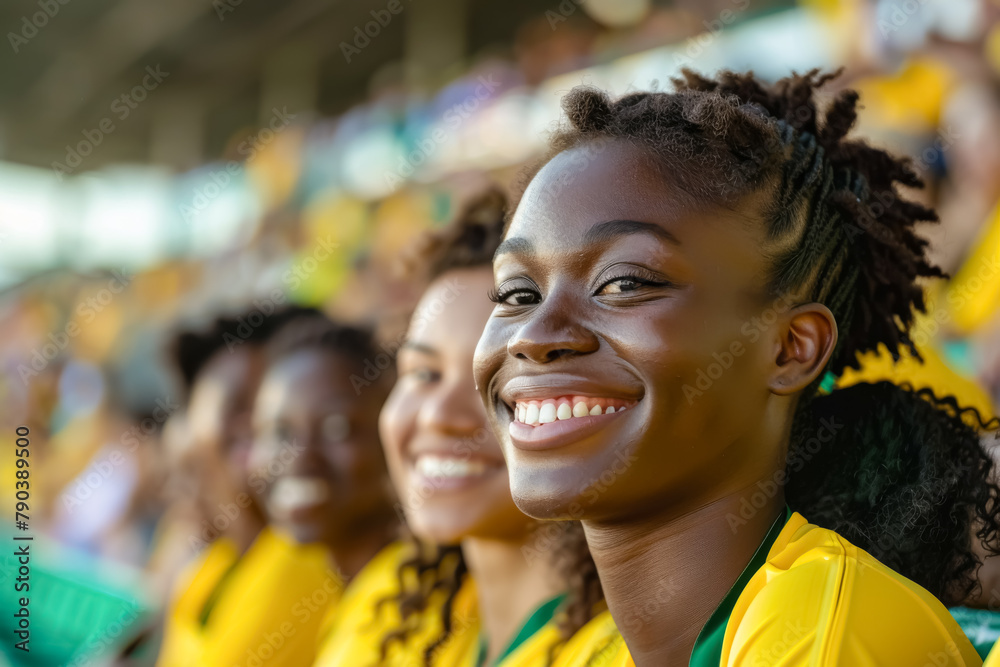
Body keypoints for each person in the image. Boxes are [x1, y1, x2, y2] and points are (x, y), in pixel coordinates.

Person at [472, 70, 1000, 666]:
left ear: (791, 347)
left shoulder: (827, 635)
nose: (536, 336)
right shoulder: (596, 651)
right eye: (516, 293)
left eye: (622, 283)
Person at [314, 191, 604, 666]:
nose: (437, 415)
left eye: (494, 376)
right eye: (423, 374)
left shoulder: (620, 649)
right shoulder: (407, 619)